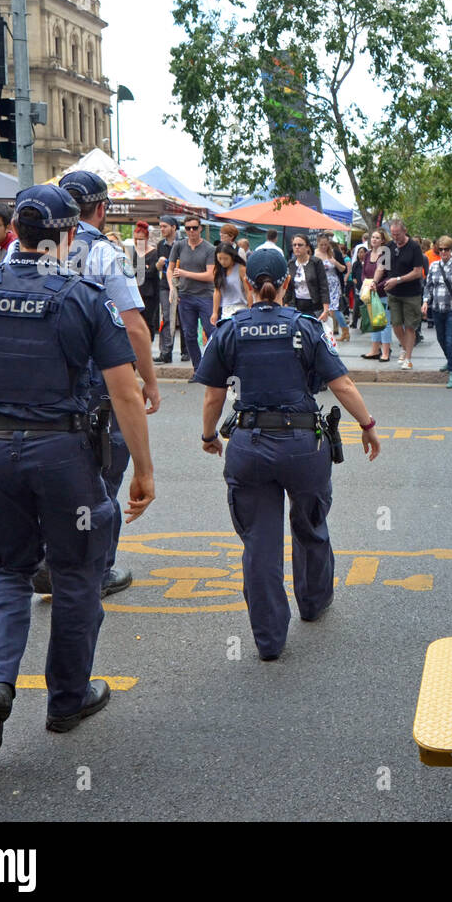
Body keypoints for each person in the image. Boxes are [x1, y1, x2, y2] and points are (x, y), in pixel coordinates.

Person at [0, 184, 155, 754]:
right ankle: (67, 700)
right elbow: (124, 393)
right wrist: (144, 471)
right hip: (64, 455)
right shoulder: (81, 295)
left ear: (14, 231)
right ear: (69, 233)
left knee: (7, 570)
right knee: (77, 574)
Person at [194, 248, 380, 660]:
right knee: (310, 523)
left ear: (247, 284)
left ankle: (268, 641)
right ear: (285, 284)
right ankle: (313, 604)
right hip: (303, 446)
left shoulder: (228, 328)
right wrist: (367, 426)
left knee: (259, 543)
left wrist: (209, 435)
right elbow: (342, 385)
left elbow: (213, 396)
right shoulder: (307, 327)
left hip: (250, 446)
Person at [53, 169, 160, 599]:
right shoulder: (104, 255)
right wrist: (148, 382)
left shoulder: (27, 249)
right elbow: (134, 327)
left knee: (55, 467)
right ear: (102, 209)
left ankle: (51, 558)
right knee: (103, 476)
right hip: (99, 380)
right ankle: (97, 570)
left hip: (42, 381)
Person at [169, 214, 216, 370]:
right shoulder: (179, 246)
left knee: (211, 332)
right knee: (189, 334)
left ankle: (212, 367)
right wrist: (172, 289)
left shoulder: (209, 249)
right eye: (188, 228)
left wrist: (185, 273)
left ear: (200, 228)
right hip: (185, 296)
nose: (191, 231)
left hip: (205, 296)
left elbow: (210, 275)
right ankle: (198, 368)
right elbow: (170, 270)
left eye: (194, 228)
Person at [422, 235, 452, 388]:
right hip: (437, 309)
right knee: (441, 339)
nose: (443, 252)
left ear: (451, 249)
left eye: (446, 249)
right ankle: (450, 361)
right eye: (440, 249)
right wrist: (425, 301)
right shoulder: (434, 266)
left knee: (450, 341)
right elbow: (428, 286)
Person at [385, 217, 426, 369]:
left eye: (398, 234)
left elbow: (417, 273)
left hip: (411, 293)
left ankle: (408, 358)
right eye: (393, 234)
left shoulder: (414, 247)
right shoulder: (389, 246)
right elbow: (382, 268)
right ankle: (404, 347)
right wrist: (375, 282)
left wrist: (398, 279)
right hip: (394, 293)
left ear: (405, 231)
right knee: (396, 324)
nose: (395, 238)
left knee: (409, 327)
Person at [358, 227, 393, 362]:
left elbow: (388, 275)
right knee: (374, 322)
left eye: (378, 238)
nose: (374, 240)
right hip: (369, 292)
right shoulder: (367, 254)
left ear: (383, 240)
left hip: (382, 293)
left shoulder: (385, 254)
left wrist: (376, 286)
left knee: (384, 323)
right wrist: (366, 284)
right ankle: (374, 350)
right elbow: (364, 273)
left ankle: (385, 352)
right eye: (373, 237)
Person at [153, 216, 181, 363]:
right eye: (160, 226)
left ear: (173, 227)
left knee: (184, 319)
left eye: (164, 226)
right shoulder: (160, 245)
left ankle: (186, 352)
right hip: (164, 285)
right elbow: (157, 269)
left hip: (182, 285)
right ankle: (165, 352)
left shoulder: (182, 244)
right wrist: (159, 263)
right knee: (167, 316)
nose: (161, 229)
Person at [315, 231, 349, 341]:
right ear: (318, 244)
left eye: (326, 244)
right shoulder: (314, 254)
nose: (324, 247)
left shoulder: (333, 253)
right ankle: (323, 331)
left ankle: (345, 331)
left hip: (333, 283)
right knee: (322, 309)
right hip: (320, 284)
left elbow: (344, 269)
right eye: (321, 245)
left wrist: (335, 262)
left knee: (333, 309)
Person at [131, 221, 162, 339]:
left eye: (140, 239)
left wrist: (144, 269)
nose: (137, 242)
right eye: (135, 239)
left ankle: (148, 345)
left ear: (147, 238)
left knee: (149, 320)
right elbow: (135, 272)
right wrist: (145, 268)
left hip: (151, 292)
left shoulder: (154, 253)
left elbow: (150, 272)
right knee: (138, 321)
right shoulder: (136, 252)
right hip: (138, 291)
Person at [211, 241, 252, 324]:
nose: (222, 262)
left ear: (232, 256)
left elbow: (248, 291)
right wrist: (214, 312)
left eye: (226, 259)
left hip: (241, 308)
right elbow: (217, 292)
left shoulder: (241, 269)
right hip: (225, 310)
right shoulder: (218, 270)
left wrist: (251, 309)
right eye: (220, 259)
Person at [282, 234, 323, 316]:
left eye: (300, 245)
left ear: (307, 247)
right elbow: (288, 286)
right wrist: (286, 304)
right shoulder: (291, 263)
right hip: (295, 304)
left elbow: (323, 285)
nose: (297, 247)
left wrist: (326, 308)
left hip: (314, 305)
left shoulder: (316, 262)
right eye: (294, 245)